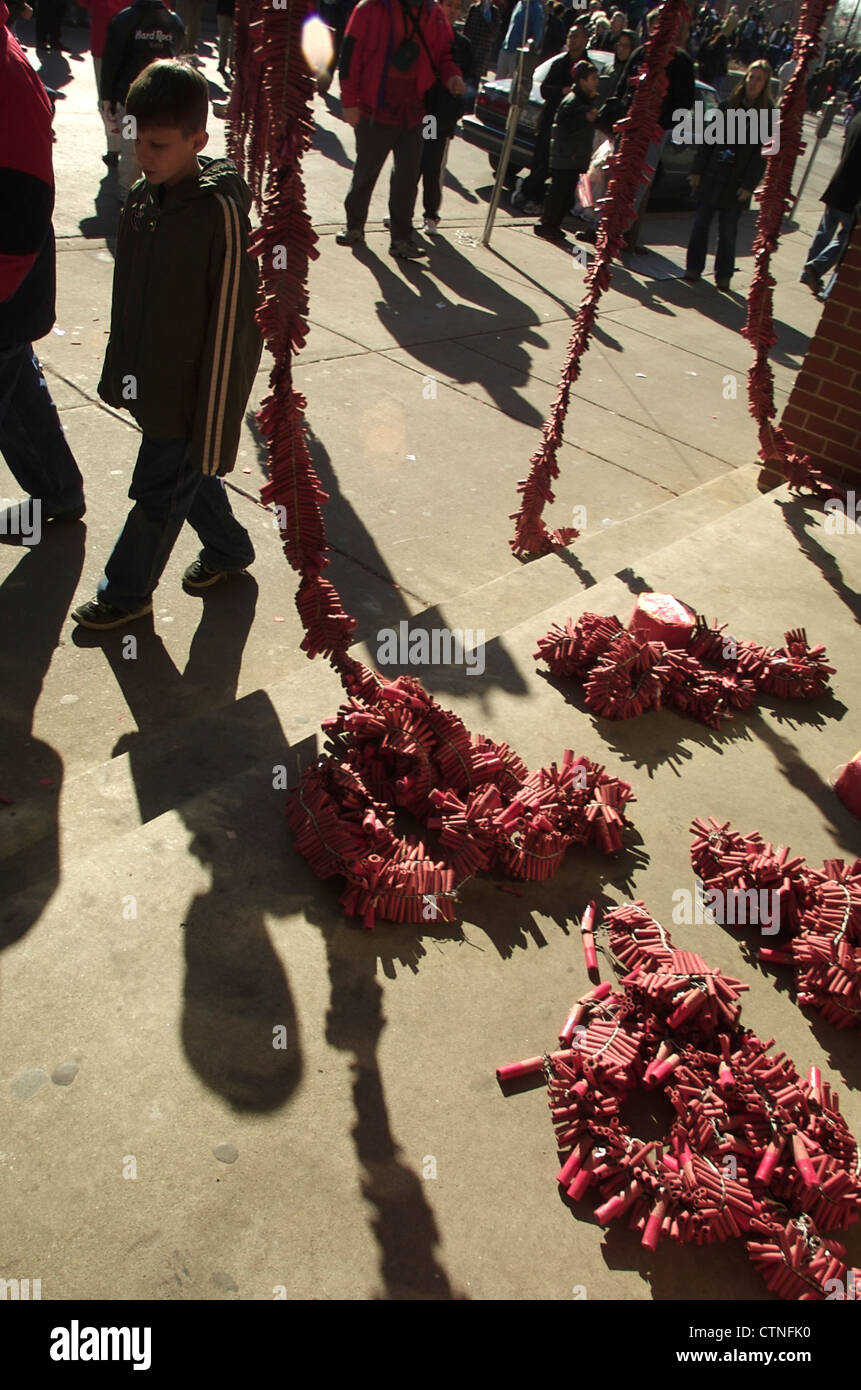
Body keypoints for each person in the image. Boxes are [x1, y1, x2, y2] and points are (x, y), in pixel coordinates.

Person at [72, 61, 261, 629]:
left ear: (198, 140)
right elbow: (127, 297)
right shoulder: (139, 199)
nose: (144, 154)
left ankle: (127, 591)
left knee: (158, 490)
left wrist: (215, 416)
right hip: (153, 384)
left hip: (192, 395)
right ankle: (228, 548)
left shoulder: (220, 213)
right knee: (187, 478)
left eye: (158, 144)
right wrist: (119, 368)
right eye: (137, 140)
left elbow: (234, 324)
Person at [1, 0, 85, 525]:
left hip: (7, 282)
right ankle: (57, 493)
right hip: (10, 291)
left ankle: (57, 494)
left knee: (10, 374)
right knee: (15, 385)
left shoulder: (7, 75)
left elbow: (23, 207)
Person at [335, 0, 465, 260]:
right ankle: (354, 227)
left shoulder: (433, 15)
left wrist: (452, 75)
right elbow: (349, 56)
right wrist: (349, 101)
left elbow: (443, 56)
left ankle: (401, 240)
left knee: (407, 180)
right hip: (375, 110)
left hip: (414, 113)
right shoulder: (370, 8)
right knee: (365, 172)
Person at [683, 60, 772, 291]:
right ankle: (693, 267)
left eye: (759, 79)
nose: (753, 83)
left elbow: (764, 155)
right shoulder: (727, 106)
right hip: (713, 175)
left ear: (765, 85)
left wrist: (750, 185)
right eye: (751, 77)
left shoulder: (769, 116)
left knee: (728, 231)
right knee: (700, 225)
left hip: (737, 183)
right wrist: (697, 170)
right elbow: (707, 141)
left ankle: (723, 275)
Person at [614, 7, 695, 252]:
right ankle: (605, 227)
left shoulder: (681, 61)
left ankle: (620, 231)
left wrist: (659, 122)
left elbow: (684, 103)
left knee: (638, 183)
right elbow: (622, 87)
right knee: (616, 178)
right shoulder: (641, 53)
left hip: (653, 132)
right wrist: (625, 112)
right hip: (629, 128)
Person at [100, 0, 184, 201]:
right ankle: (154, 195)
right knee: (162, 146)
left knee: (131, 146)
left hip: (130, 102)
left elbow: (111, 63)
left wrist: (107, 98)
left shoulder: (123, 20)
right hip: (164, 101)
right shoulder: (174, 22)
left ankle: (127, 196)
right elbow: (178, 52)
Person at [512, 15, 588, 210]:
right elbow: (545, 90)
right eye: (570, 36)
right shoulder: (559, 63)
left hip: (571, 125)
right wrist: (561, 91)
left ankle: (527, 190)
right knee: (541, 160)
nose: (572, 40)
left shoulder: (587, 67)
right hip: (551, 118)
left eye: (576, 37)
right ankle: (531, 197)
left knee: (554, 166)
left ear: (585, 40)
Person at [420, 0, 473, 231]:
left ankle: (430, 215)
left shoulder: (462, 44)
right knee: (409, 166)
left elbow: (469, 84)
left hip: (439, 117)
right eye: (447, 5)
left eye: (455, 7)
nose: (451, 11)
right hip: (420, 110)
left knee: (431, 166)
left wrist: (454, 115)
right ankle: (400, 212)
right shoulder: (425, 33)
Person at [799, 107, 861, 297]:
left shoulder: (857, 119)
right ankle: (817, 267)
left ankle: (808, 272)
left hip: (838, 183)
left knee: (825, 231)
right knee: (846, 239)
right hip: (854, 192)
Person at [534, 58, 599, 240]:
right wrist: (585, 118)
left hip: (573, 157)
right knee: (558, 194)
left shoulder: (585, 100)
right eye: (592, 78)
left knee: (565, 195)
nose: (596, 82)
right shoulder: (573, 101)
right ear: (582, 81)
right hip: (566, 156)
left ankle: (553, 225)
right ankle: (547, 224)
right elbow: (565, 125)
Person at [495, 0, 543, 78]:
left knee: (512, 82)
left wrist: (527, 50)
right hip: (506, 48)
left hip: (517, 53)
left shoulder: (536, 9)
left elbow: (536, 35)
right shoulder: (520, 3)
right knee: (498, 79)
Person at [463, 0, 500, 79]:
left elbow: (495, 34)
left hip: (482, 54)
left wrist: (488, 19)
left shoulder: (494, 11)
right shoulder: (474, 8)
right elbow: (466, 30)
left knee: (475, 80)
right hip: (470, 51)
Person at [216, 0, 233, 78]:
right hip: (225, 9)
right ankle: (225, 63)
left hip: (227, 9)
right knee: (225, 38)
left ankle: (227, 63)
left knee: (225, 38)